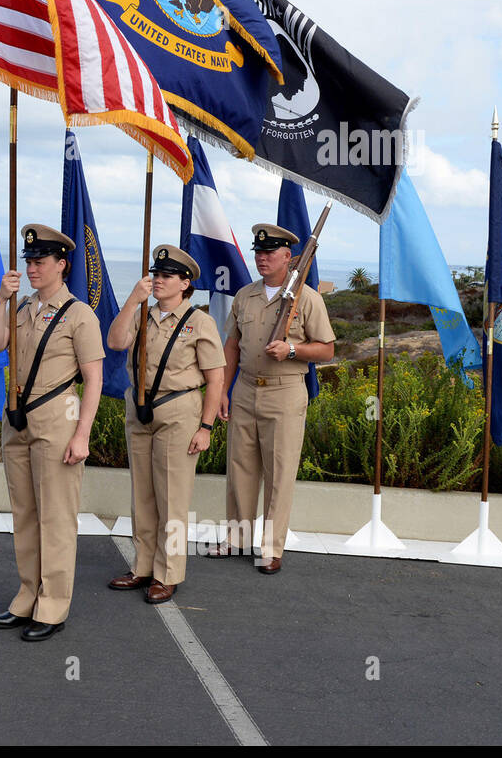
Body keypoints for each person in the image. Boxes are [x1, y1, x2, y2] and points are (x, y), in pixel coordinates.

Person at [0, 224, 103, 641]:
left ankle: (52, 604)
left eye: (39, 262)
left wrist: (82, 434)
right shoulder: (22, 307)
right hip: (17, 420)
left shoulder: (79, 314)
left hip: (57, 419)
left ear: (61, 265)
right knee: (25, 513)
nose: (31, 268)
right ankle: (27, 593)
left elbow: (94, 378)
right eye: (28, 261)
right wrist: (1, 298)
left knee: (55, 515)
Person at [205, 223, 334, 574]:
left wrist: (292, 349)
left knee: (279, 473)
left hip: (285, 392)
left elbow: (326, 349)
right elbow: (232, 345)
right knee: (240, 469)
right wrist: (222, 392)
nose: (261, 258)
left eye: (269, 253)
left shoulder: (307, 299)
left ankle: (272, 547)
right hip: (246, 389)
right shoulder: (246, 295)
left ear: (288, 257)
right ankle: (236, 539)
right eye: (258, 252)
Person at [105, 246, 225, 604]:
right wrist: (132, 301)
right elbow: (114, 342)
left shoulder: (200, 322)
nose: (157, 280)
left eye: (166, 276)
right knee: (142, 494)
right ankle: (143, 566)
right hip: (140, 409)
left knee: (172, 496)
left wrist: (205, 427)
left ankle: (168, 572)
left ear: (185, 283)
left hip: (179, 411)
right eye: (155, 274)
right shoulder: (142, 315)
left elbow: (216, 379)